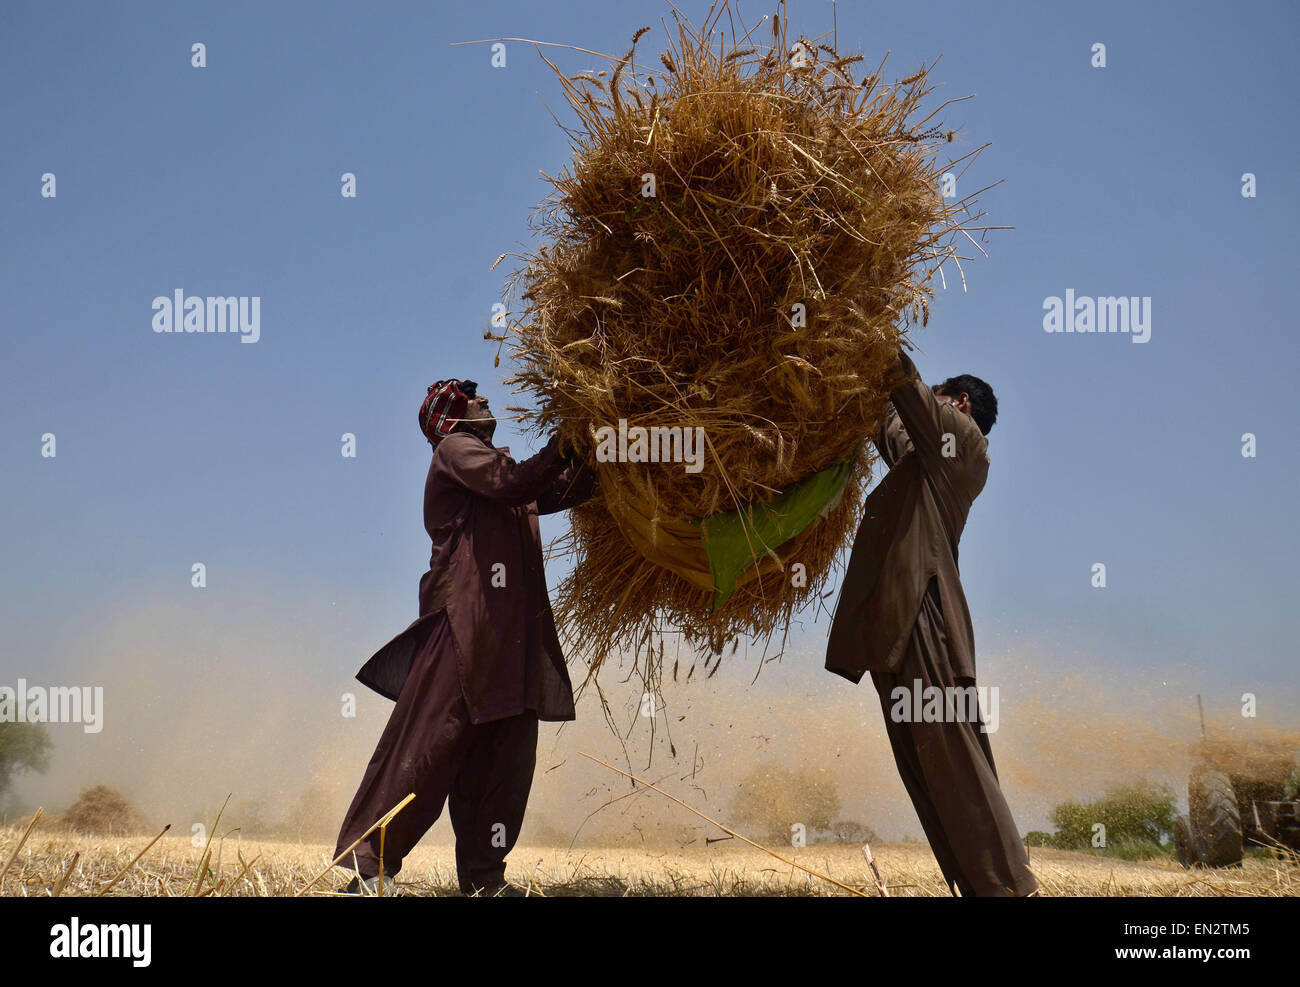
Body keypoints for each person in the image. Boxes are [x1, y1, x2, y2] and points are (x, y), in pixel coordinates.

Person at [332, 378, 595, 896]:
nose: (486, 399)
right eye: (474, 398)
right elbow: (513, 482)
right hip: (464, 627)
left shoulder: (501, 472)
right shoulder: (458, 452)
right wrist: (565, 438)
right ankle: (368, 867)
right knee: (430, 745)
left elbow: (555, 489)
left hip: (511, 637)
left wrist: (602, 453)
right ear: (452, 414)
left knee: (506, 757)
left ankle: (484, 878)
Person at [825, 347, 1037, 897]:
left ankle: (1009, 889)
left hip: (928, 620)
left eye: (941, 401)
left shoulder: (964, 447)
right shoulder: (923, 458)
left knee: (955, 761)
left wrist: (869, 320)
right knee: (924, 770)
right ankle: (977, 886)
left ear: (959, 404)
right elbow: (891, 419)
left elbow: (906, 390)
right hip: (892, 630)